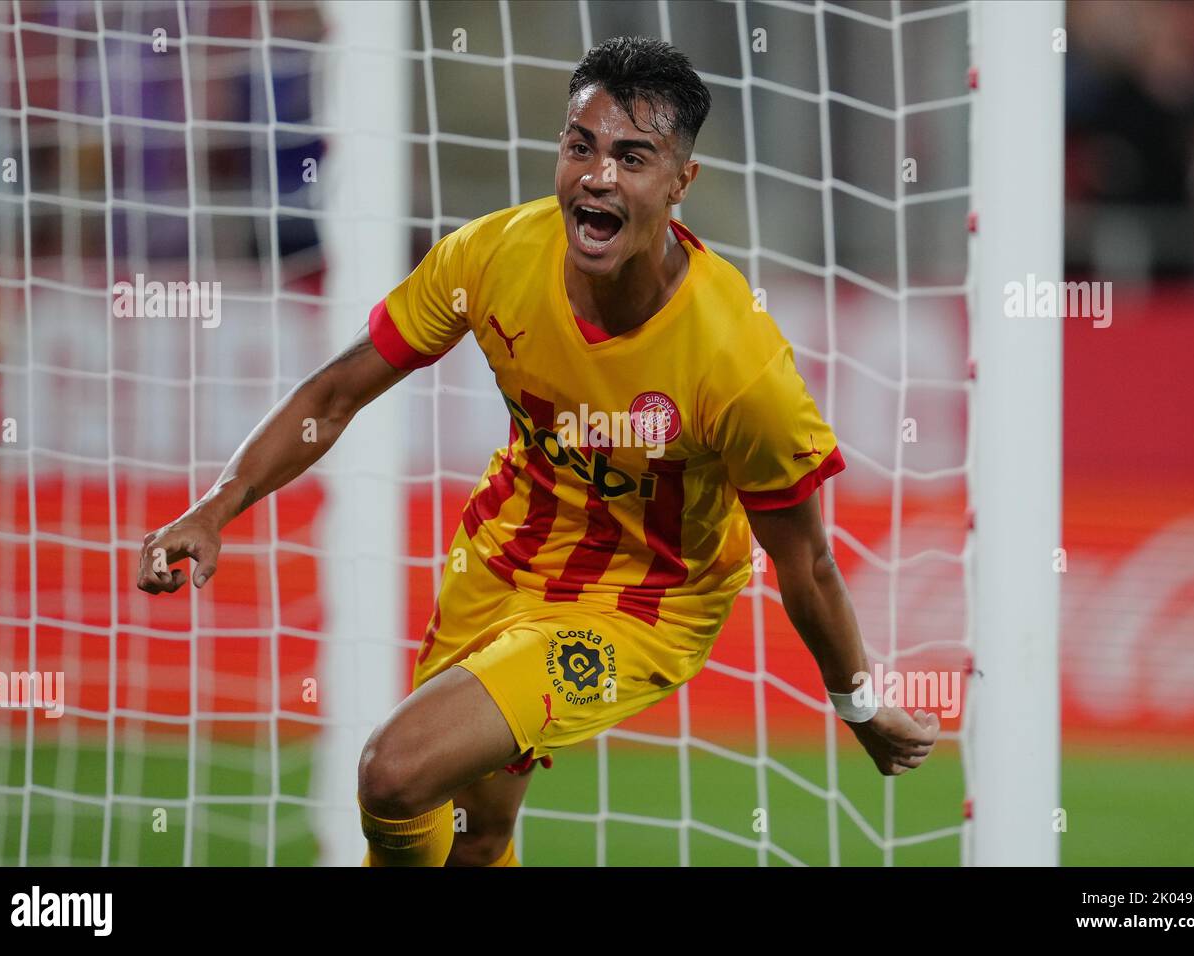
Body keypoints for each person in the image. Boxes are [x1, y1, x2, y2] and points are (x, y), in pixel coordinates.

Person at [136, 36, 939, 868]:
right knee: (475, 838)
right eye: (580, 145)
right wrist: (215, 507)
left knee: (394, 773)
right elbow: (335, 394)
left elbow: (805, 563)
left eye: (633, 157)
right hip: (506, 555)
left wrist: (859, 705)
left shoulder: (741, 367)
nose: (598, 175)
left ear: (680, 182)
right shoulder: (491, 257)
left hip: (641, 607)